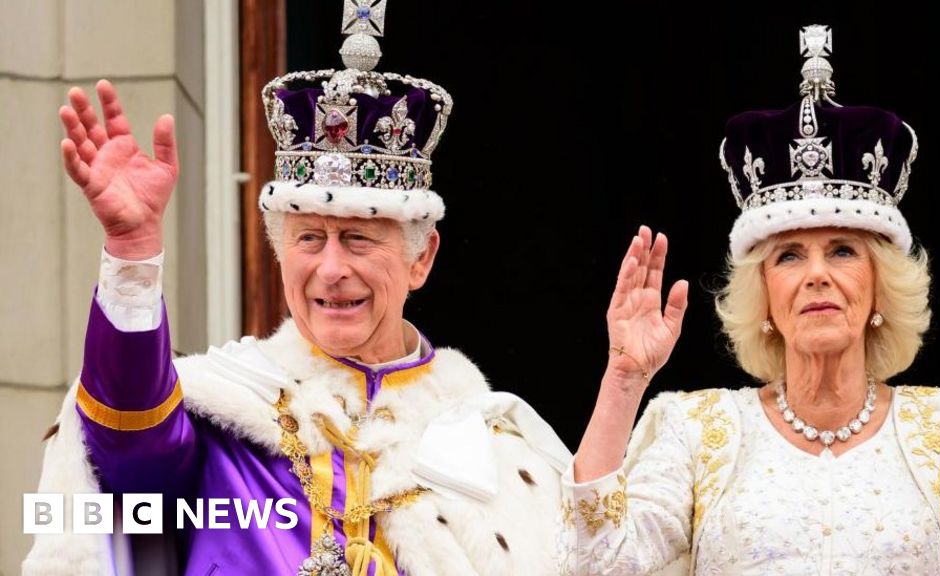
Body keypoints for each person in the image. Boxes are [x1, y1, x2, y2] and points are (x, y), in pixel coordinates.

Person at [25, 5, 569, 575]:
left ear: (421, 259)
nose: (331, 269)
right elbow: (129, 449)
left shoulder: (494, 447)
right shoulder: (227, 413)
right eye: (309, 238)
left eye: (358, 239)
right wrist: (134, 253)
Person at [557, 25, 940, 575]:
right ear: (764, 295)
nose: (817, 274)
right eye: (790, 256)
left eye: (843, 251)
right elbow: (593, 565)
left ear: (880, 285)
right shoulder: (697, 429)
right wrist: (623, 381)